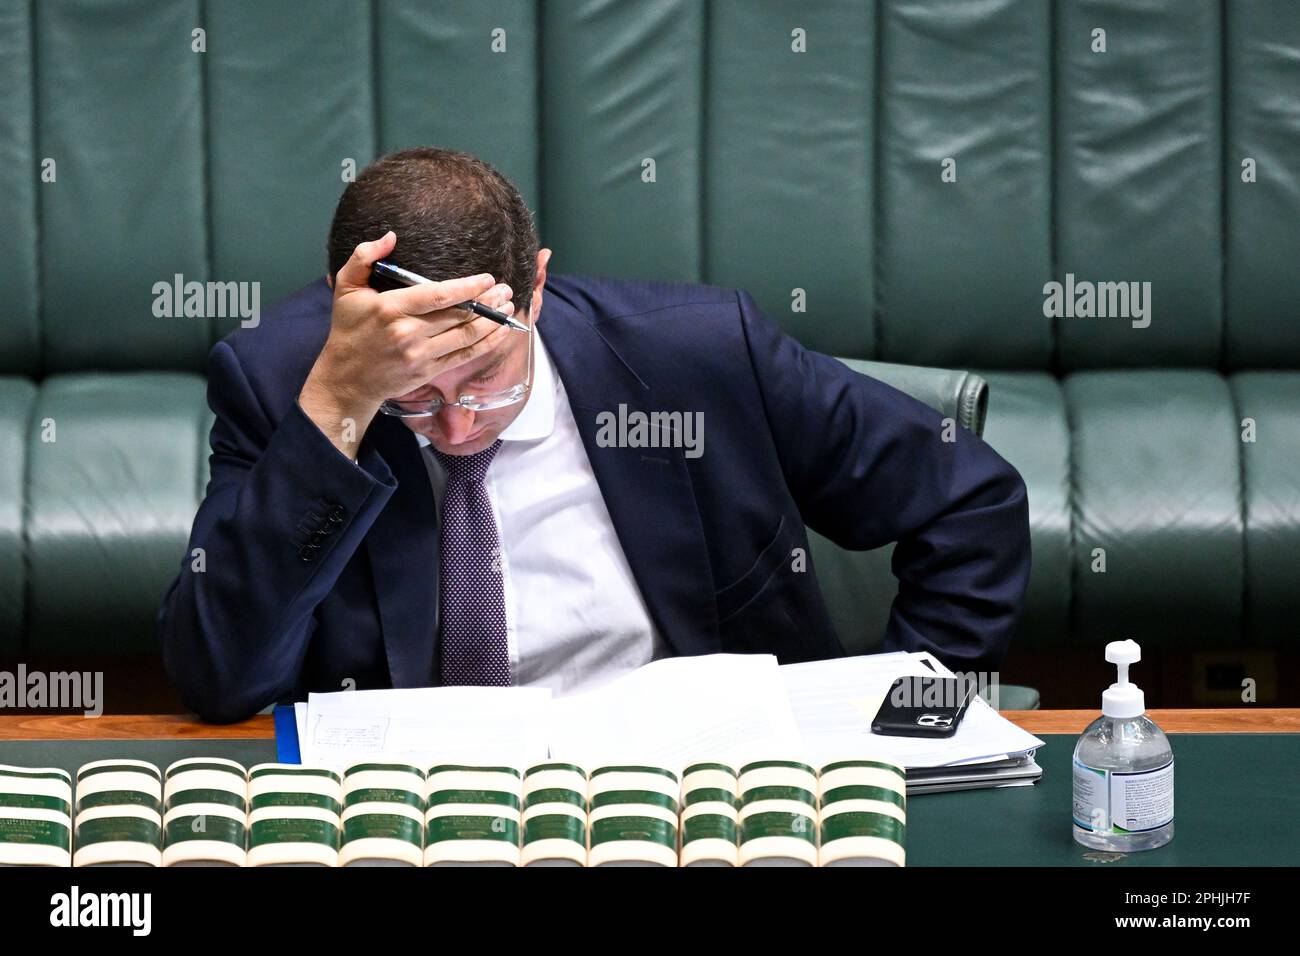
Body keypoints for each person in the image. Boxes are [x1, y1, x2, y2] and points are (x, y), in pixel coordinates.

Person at [159, 146, 1031, 723]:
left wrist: (893, 725)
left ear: (534, 288)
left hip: (695, 794)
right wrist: (340, 413)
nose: (458, 426)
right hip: (420, 817)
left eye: (484, 380)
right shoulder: (285, 386)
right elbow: (219, 677)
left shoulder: (699, 354)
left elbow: (972, 503)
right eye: (413, 399)